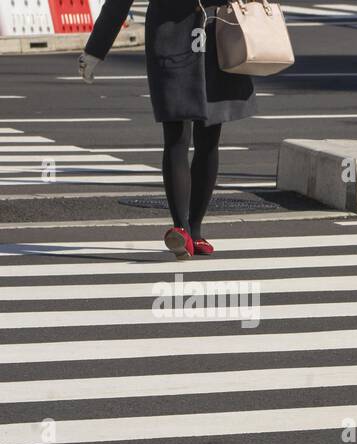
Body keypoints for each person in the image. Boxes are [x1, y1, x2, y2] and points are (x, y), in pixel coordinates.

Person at [81, 1, 257, 258]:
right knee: (177, 133)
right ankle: (183, 230)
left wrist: (95, 50)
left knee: (208, 135)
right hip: (174, 34)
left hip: (217, 31)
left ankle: (193, 230)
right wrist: (96, 48)